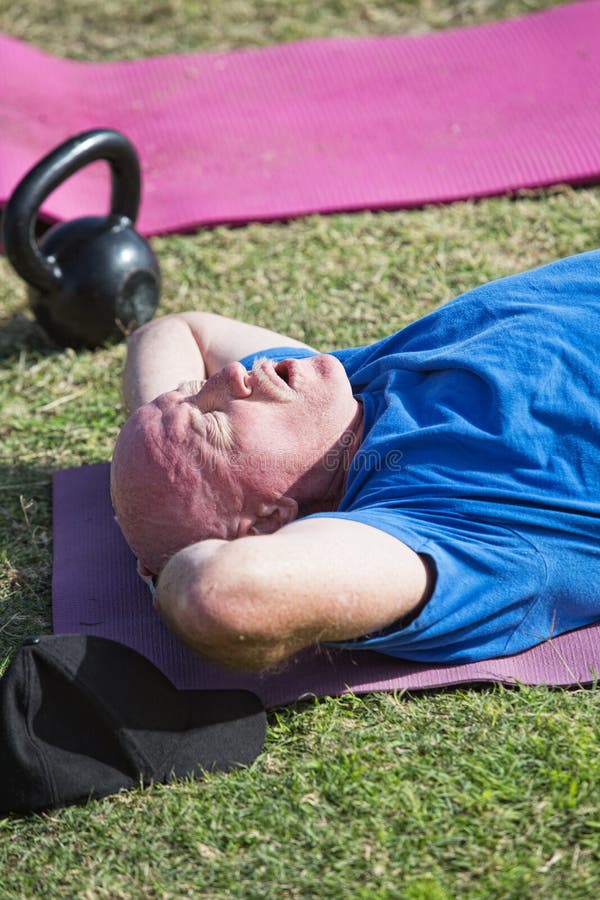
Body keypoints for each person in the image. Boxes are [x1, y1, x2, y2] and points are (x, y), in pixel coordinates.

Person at [111, 249, 600, 672]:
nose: (232, 375)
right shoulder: (442, 523)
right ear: (268, 524)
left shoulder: (347, 386)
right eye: (214, 423)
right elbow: (216, 594)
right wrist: (165, 570)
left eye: (196, 388)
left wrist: (157, 438)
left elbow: (174, 331)